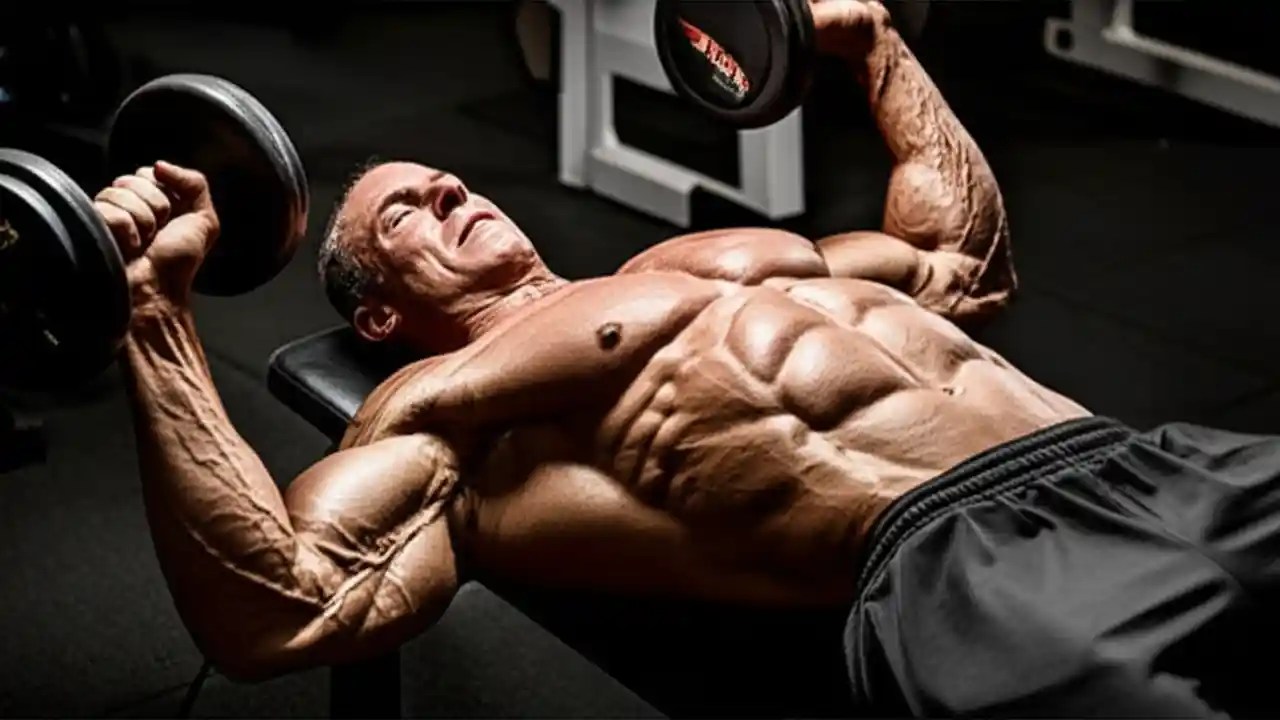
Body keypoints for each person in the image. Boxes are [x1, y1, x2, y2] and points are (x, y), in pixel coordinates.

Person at [94, 2, 1280, 716]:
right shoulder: (449, 406)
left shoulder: (715, 259)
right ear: (379, 318)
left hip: (1145, 466)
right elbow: (281, 607)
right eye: (405, 211)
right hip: (963, 570)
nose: (449, 187)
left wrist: (874, 48)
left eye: (445, 177)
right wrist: (153, 312)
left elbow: (960, 263)